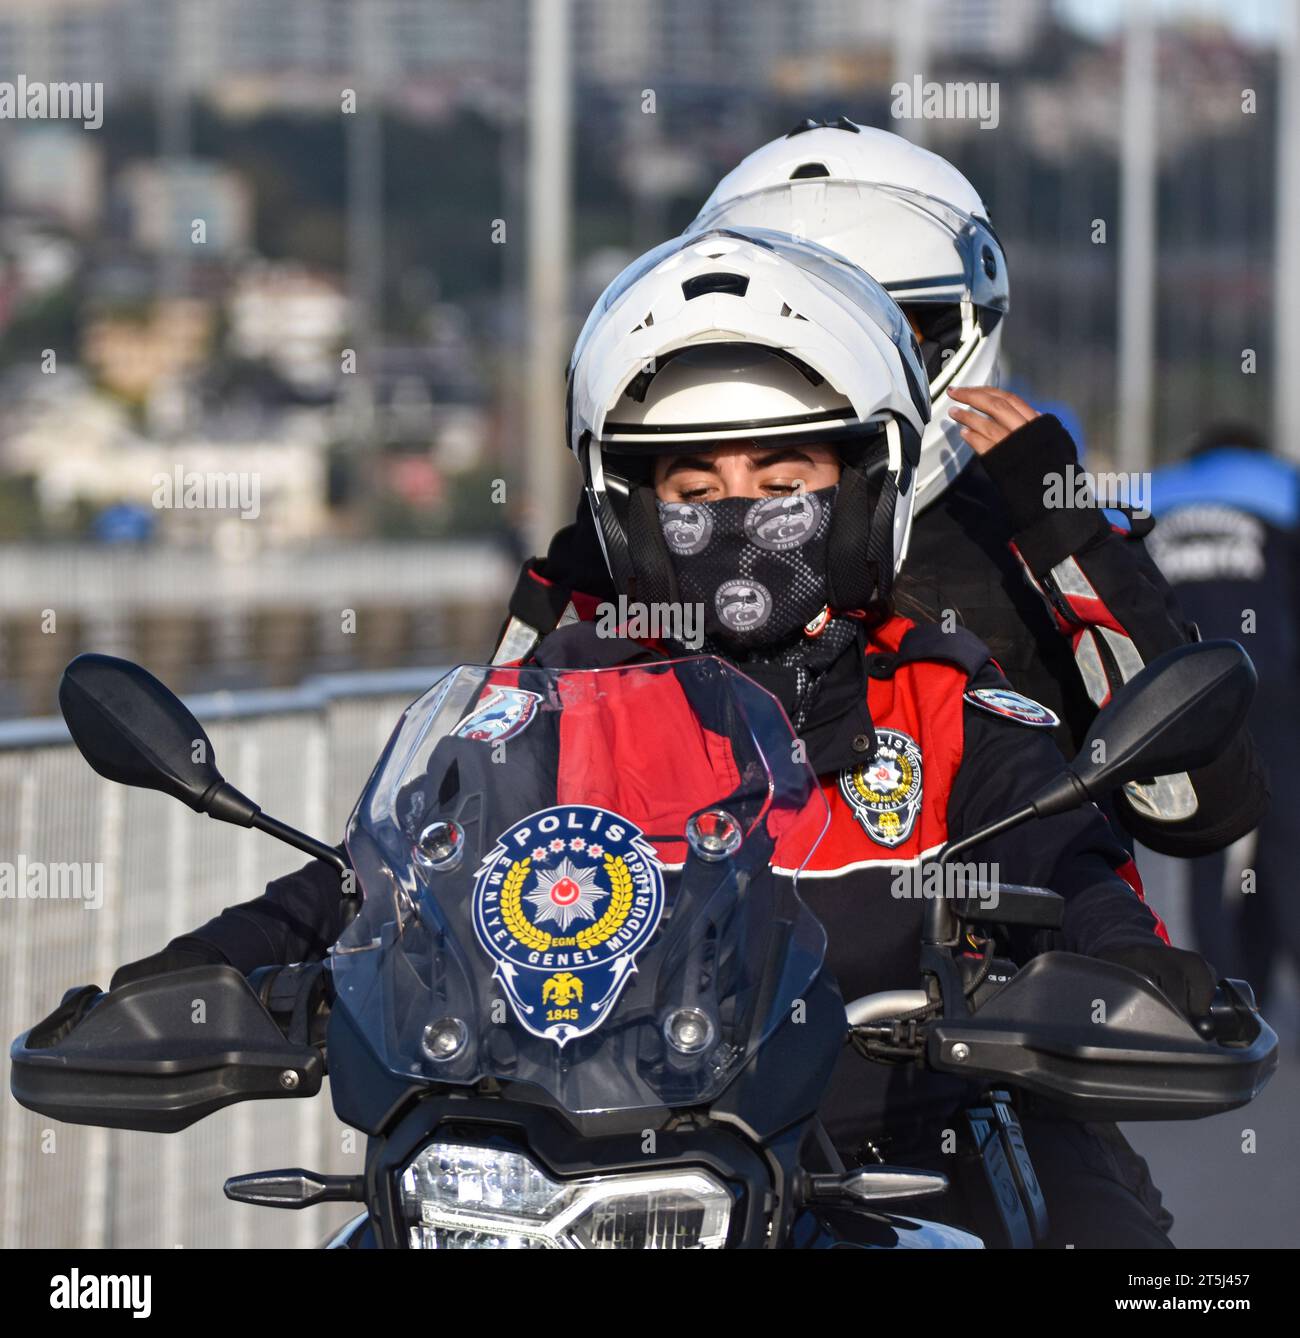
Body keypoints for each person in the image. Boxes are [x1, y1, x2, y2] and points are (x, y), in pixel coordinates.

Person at [113, 229, 1214, 1247]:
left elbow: (1070, 871)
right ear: (635, 515)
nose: (737, 519)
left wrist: (1126, 971)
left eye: (784, 484)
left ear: (862, 493)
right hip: (561, 1187)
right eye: (694, 490)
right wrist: (199, 975)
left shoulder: (950, 711)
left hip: (889, 1178)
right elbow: (377, 882)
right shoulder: (545, 713)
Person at [491, 118, 1266, 861]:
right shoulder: (645, 540)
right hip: (714, 968)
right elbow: (484, 786)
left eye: (882, 325)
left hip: (1007, 971)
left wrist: (1064, 524)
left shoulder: (1039, 537)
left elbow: (1196, 804)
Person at [1148, 423, 1300, 1006]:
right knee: (1284, 841)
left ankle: (1226, 991)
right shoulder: (1279, 494)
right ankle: (1266, 975)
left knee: (1205, 839)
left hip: (1192, 690)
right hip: (1274, 684)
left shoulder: (1160, 497)